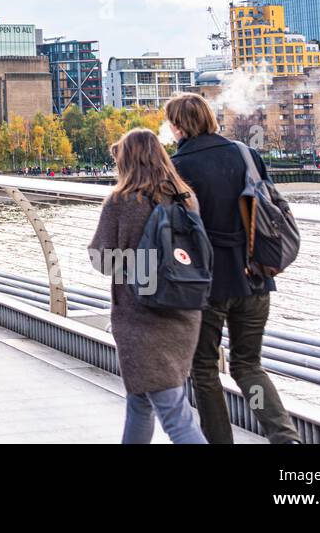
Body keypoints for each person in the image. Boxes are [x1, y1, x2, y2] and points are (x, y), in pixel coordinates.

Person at [165, 92, 300, 444]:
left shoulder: (177, 168)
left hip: (205, 287)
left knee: (205, 370)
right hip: (254, 277)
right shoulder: (246, 154)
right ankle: (284, 437)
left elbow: (172, 234)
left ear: (178, 126)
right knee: (248, 366)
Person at [88, 128, 206, 444]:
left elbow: (101, 258)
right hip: (183, 311)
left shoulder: (120, 201)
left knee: (175, 418)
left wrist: (138, 267)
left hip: (140, 318)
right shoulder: (185, 197)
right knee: (140, 401)